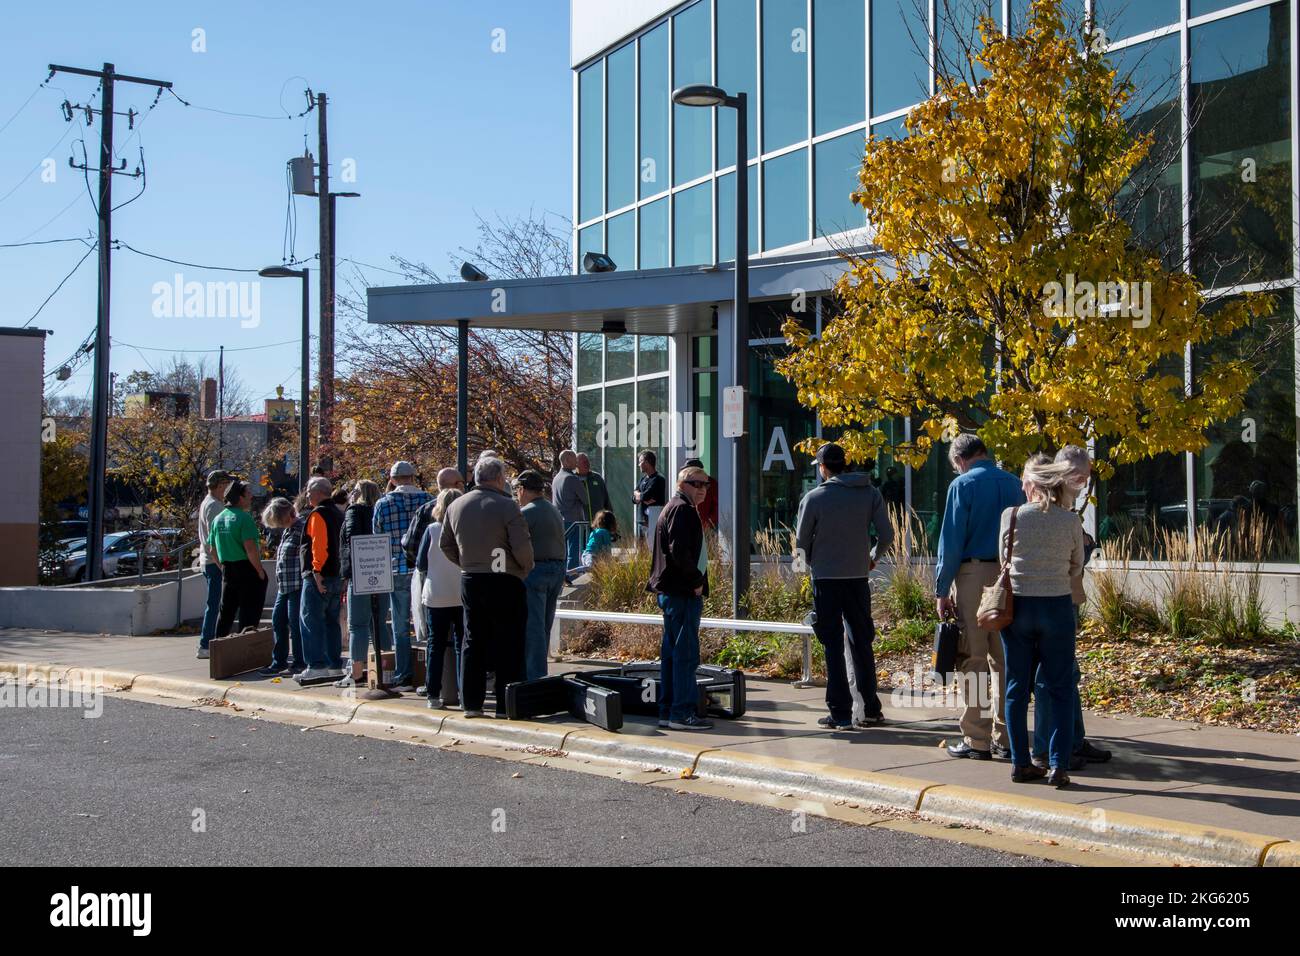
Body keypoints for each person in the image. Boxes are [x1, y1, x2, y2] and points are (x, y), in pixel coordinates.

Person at [935, 433, 1026, 760]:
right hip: (1009, 576)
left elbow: (952, 541)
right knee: (1004, 661)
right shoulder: (1015, 483)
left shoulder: (962, 486)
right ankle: (1006, 737)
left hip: (972, 574)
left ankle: (976, 738)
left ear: (960, 460)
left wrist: (942, 589)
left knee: (972, 659)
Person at [794, 442, 895, 730]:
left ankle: (839, 712)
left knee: (832, 645)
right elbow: (886, 534)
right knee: (862, 641)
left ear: (823, 468)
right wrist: (871, 559)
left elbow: (801, 545)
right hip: (858, 577)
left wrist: (810, 566)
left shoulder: (814, 498)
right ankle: (871, 708)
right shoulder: (870, 493)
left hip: (825, 578)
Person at [1000, 455, 1086, 788]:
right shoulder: (1069, 520)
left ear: (1033, 484)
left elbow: (1003, 559)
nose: (1020, 485)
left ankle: (1021, 762)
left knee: (1016, 688)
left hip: (1017, 607)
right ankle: (1058, 765)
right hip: (1056, 607)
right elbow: (1076, 566)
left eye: (1023, 479)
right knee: (1061, 687)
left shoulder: (1012, 516)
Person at [1030, 445, 1111, 767]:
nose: (1084, 484)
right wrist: (1083, 546)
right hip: (1050, 601)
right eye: (1080, 477)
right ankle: (1049, 747)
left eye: (1087, 477)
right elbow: (1066, 562)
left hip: (1063, 598)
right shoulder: (1049, 507)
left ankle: (1072, 740)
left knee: (1067, 673)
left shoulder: (1067, 508)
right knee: (1049, 675)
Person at [440, 457, 534, 718]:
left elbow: (445, 544)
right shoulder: (507, 506)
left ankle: (471, 703)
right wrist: (523, 569)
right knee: (509, 641)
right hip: (504, 577)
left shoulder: (456, 505)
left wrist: (466, 562)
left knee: (473, 641)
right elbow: (522, 548)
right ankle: (506, 705)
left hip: (471, 577)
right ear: (500, 478)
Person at [646, 465, 712, 731]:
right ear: (683, 483)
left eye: (707, 485)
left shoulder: (674, 507)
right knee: (685, 654)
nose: (704, 490)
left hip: (673, 592)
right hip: (682, 592)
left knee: (673, 653)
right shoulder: (682, 510)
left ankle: (668, 709)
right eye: (698, 484)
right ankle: (682, 712)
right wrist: (696, 581)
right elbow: (679, 551)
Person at [373, 461, 432, 693]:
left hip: (396, 567)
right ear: (413, 477)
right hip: (422, 567)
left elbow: (378, 537)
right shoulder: (427, 500)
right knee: (427, 621)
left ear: (393, 479)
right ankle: (430, 672)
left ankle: (404, 674)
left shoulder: (383, 504)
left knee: (400, 624)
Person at [338, 480, 391, 688]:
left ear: (358, 493)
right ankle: (387, 669)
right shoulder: (381, 509)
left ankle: (356, 673)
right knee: (378, 624)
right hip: (382, 569)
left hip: (361, 572)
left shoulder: (355, 510)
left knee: (357, 625)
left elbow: (352, 536)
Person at [516, 469, 567, 681]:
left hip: (536, 571)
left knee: (534, 628)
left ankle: (534, 677)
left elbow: (516, 544)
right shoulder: (553, 510)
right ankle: (539, 673)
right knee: (544, 625)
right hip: (557, 570)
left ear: (522, 489)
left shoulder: (526, 513)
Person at [417, 487, 465, 709]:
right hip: (461, 592)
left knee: (435, 645)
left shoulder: (432, 530)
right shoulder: (465, 529)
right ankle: (464, 692)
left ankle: (433, 694)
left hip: (436, 593)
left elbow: (420, 564)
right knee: (461, 644)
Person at [298, 475, 346, 682]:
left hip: (321, 576)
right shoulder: (338, 513)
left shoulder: (319, 514)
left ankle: (316, 665)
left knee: (311, 620)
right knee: (331, 622)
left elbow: (319, 545)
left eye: (309, 491)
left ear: (319, 492)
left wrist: (316, 572)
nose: (307, 495)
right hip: (337, 574)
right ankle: (334, 664)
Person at [209, 479, 268, 639]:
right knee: (249, 612)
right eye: (248, 493)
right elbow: (250, 548)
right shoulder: (244, 518)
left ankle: (218, 648)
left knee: (226, 612)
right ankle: (246, 649)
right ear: (240, 497)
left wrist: (222, 567)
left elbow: (212, 548)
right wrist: (259, 571)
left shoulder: (218, 519)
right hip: (246, 569)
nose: (251, 497)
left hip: (228, 568)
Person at [260, 497, 306, 677]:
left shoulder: (301, 528)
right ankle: (278, 660)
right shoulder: (288, 530)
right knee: (278, 621)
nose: (279, 526)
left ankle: (299, 661)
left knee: (296, 624)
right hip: (285, 585)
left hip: (297, 584)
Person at [196, 470, 231, 659]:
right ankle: (205, 644)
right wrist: (221, 564)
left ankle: (209, 642)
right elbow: (213, 539)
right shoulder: (214, 506)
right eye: (226, 485)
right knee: (215, 603)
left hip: (207, 560)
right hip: (213, 562)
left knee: (216, 603)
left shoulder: (208, 503)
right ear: (219, 486)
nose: (228, 489)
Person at [551, 449, 590, 582]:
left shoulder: (556, 478)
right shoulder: (572, 478)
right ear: (567, 460)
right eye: (574, 459)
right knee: (573, 551)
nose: (577, 461)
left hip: (559, 520)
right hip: (574, 521)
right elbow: (585, 499)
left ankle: (561, 576)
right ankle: (571, 577)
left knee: (563, 552)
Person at [633, 450, 667, 541]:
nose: (638, 464)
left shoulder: (658, 479)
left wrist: (640, 496)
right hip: (641, 521)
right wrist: (639, 496)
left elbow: (645, 496)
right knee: (641, 551)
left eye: (640, 461)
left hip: (652, 520)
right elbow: (633, 497)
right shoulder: (643, 479)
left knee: (651, 547)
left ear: (647, 462)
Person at [683, 457, 718, 529]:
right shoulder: (686, 483)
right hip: (689, 525)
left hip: (706, 527)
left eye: (688, 470)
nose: (686, 472)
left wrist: (709, 521)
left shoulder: (711, 483)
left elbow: (718, 504)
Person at [576, 453, 611, 521]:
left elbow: (606, 500)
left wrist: (610, 517)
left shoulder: (597, 478)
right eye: (584, 462)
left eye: (588, 461)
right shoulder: (573, 479)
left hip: (598, 522)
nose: (588, 464)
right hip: (580, 524)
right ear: (576, 464)